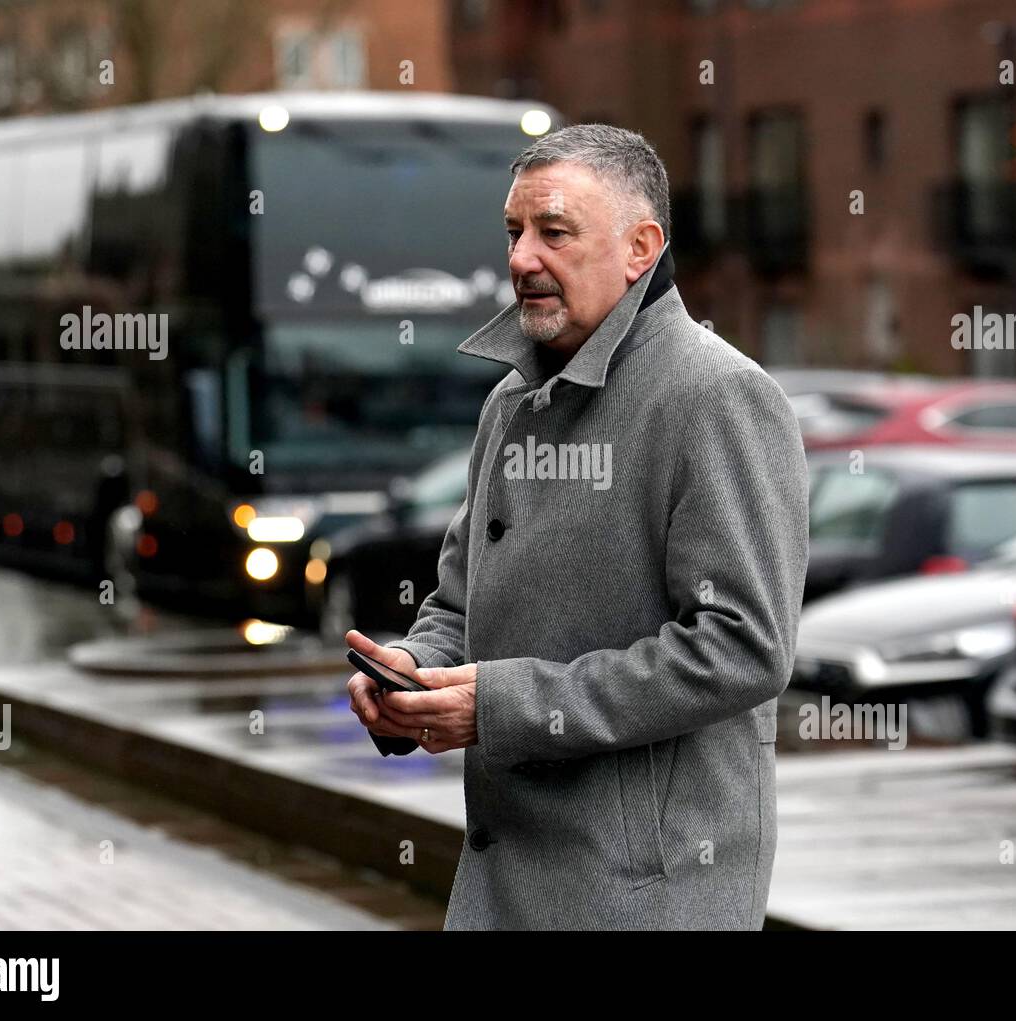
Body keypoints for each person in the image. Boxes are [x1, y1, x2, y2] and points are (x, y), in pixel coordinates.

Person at [346, 123, 808, 930]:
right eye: (514, 232)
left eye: (554, 232)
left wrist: (500, 707)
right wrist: (415, 674)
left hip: (643, 900)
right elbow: (458, 604)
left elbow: (743, 647)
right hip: (504, 886)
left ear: (641, 249)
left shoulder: (716, 395)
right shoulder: (510, 402)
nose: (522, 257)